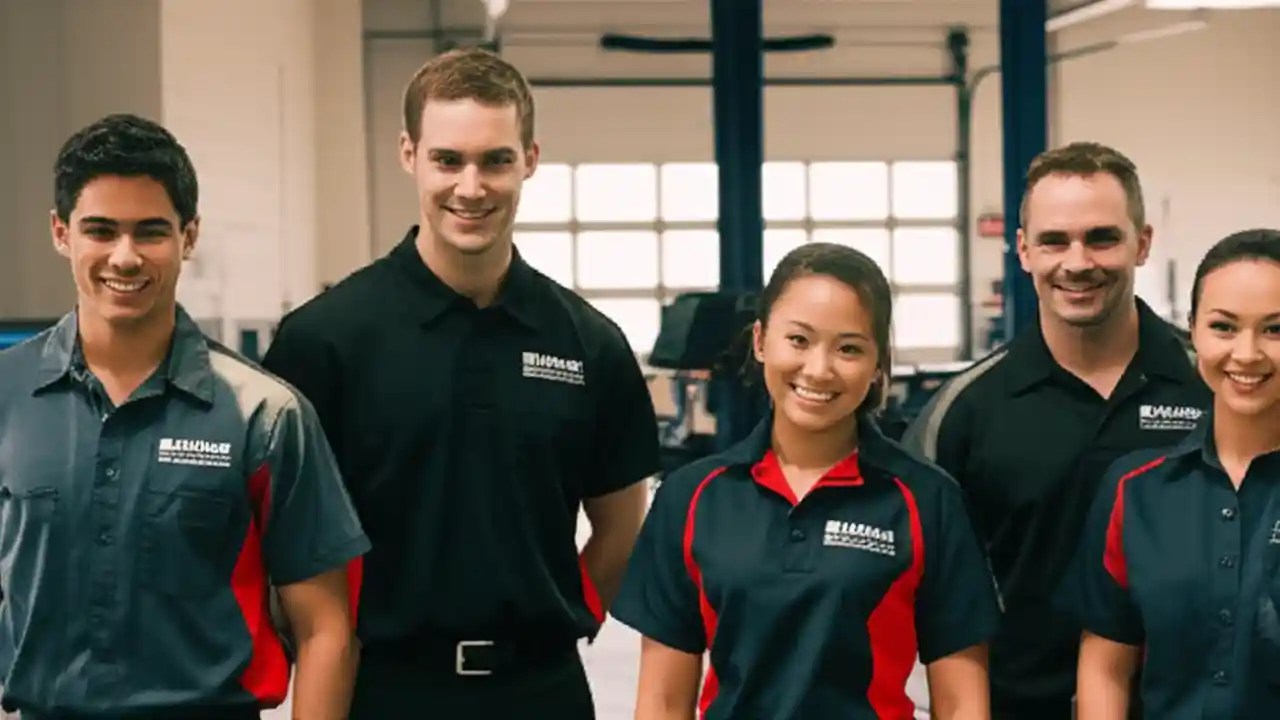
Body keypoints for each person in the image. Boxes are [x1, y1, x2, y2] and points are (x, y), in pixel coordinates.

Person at [260, 47, 660, 718]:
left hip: (542, 691)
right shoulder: (323, 342)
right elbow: (282, 545)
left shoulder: (589, 345)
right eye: (448, 160)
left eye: (495, 160)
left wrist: (562, 619)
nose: (470, 187)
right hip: (383, 688)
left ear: (529, 159)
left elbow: (620, 526)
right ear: (408, 154)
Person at [0, 114, 371, 719]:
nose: (125, 257)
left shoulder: (265, 417)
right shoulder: (6, 397)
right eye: (100, 230)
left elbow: (325, 628)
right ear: (60, 232)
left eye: (151, 231)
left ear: (188, 236)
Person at [611, 242, 1002, 719]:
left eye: (850, 348)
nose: (818, 369)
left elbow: (962, 702)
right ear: (760, 341)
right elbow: (662, 702)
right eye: (798, 340)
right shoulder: (692, 497)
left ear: (878, 364)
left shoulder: (928, 501)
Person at [901, 141, 1211, 718]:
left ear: (1142, 243)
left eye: (1101, 237)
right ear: (1022, 250)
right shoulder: (963, 412)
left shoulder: (1214, 390)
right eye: (1053, 240)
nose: (1077, 262)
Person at [1065, 228, 1280, 719]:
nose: (1246, 354)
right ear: (1193, 330)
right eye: (1224, 327)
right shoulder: (1134, 490)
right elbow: (1106, 666)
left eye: (1275, 329)